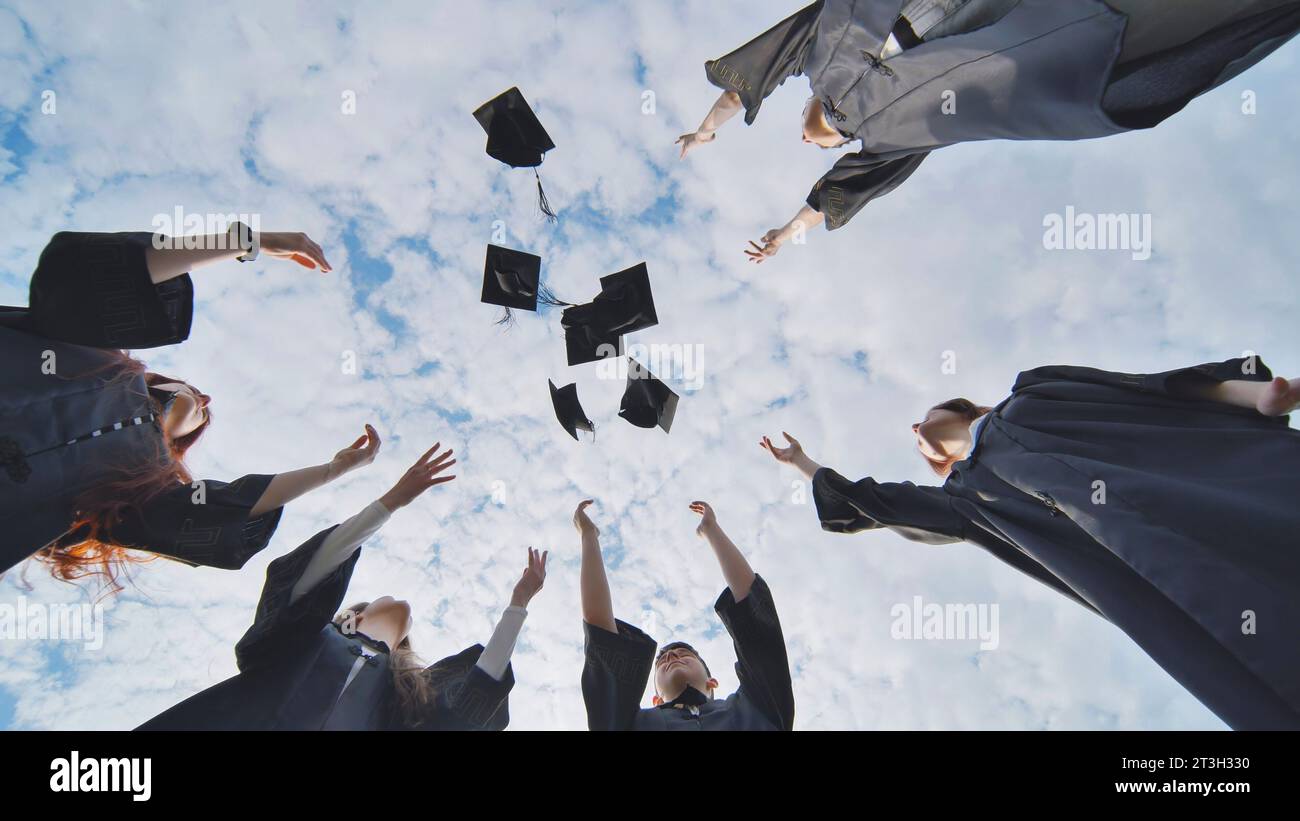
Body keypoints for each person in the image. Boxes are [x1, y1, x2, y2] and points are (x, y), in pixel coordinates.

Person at [761, 356, 1300, 729]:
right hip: (1155, 573)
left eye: (921, 417)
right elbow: (876, 501)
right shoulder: (967, 497)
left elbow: (1150, 389)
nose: (914, 427)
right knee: (1256, 642)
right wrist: (804, 465)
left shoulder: (1035, 390)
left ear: (961, 407)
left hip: (1209, 487)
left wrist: (1260, 397)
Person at [675, 0, 1300, 260]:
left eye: (803, 132)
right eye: (815, 147)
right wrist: (785, 236)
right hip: (1006, 29)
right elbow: (835, 197)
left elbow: (747, 80)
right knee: (1114, 67)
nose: (803, 138)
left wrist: (707, 131)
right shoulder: (894, 135)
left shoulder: (818, 53)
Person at [0, 226, 365, 589]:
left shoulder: (141, 484)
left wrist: (332, 470)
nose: (204, 401)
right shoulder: (97, 355)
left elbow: (231, 507)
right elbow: (100, 277)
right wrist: (247, 241)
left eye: (203, 416)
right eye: (194, 392)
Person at [139, 440, 543, 730]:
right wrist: (390, 502)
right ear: (353, 613)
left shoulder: (404, 696)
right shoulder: (303, 637)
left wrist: (518, 604)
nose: (399, 601)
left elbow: (473, 701)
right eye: (382, 597)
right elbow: (312, 573)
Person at [576, 499, 795, 730]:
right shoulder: (631, 724)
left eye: (684, 653)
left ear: (712, 682)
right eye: (661, 662)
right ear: (656, 699)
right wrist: (588, 535)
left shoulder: (756, 707)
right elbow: (601, 635)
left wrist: (712, 530)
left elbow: (754, 613)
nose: (671, 657)